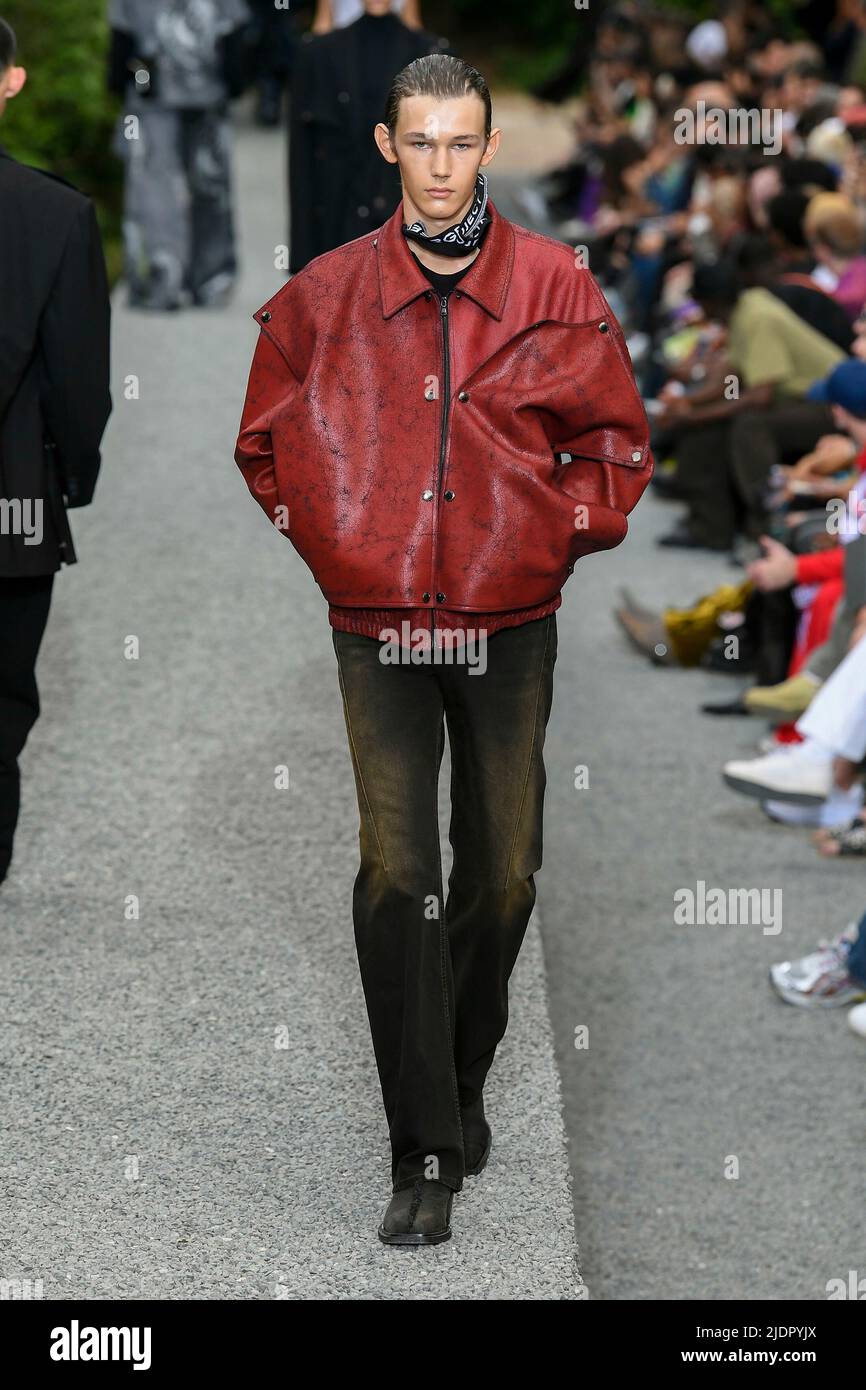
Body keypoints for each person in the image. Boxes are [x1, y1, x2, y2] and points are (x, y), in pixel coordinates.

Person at [235, 53, 653, 1244]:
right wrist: (341, 548)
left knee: (504, 872)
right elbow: (262, 447)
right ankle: (421, 1142)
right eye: (419, 141)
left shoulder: (553, 291)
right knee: (395, 874)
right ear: (386, 146)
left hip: (506, 619)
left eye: (459, 142)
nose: (438, 164)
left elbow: (613, 449)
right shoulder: (323, 295)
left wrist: (539, 540)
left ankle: (461, 1080)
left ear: (486, 148)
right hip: (378, 623)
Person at [0, 18, 112, 886]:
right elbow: (79, 378)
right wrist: (73, 478)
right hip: (15, 497)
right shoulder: (59, 215)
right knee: (2, 696)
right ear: (12, 83)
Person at [107, 0, 252, 310]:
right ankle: (211, 281)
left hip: (151, 92)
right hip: (207, 91)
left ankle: (162, 281)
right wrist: (235, 83)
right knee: (210, 187)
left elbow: (122, 35)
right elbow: (233, 30)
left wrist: (120, 83)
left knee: (155, 187)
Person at [288, 0, 448, 273]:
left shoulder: (431, 55)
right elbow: (302, 165)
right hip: (340, 214)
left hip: (401, 216)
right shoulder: (316, 56)